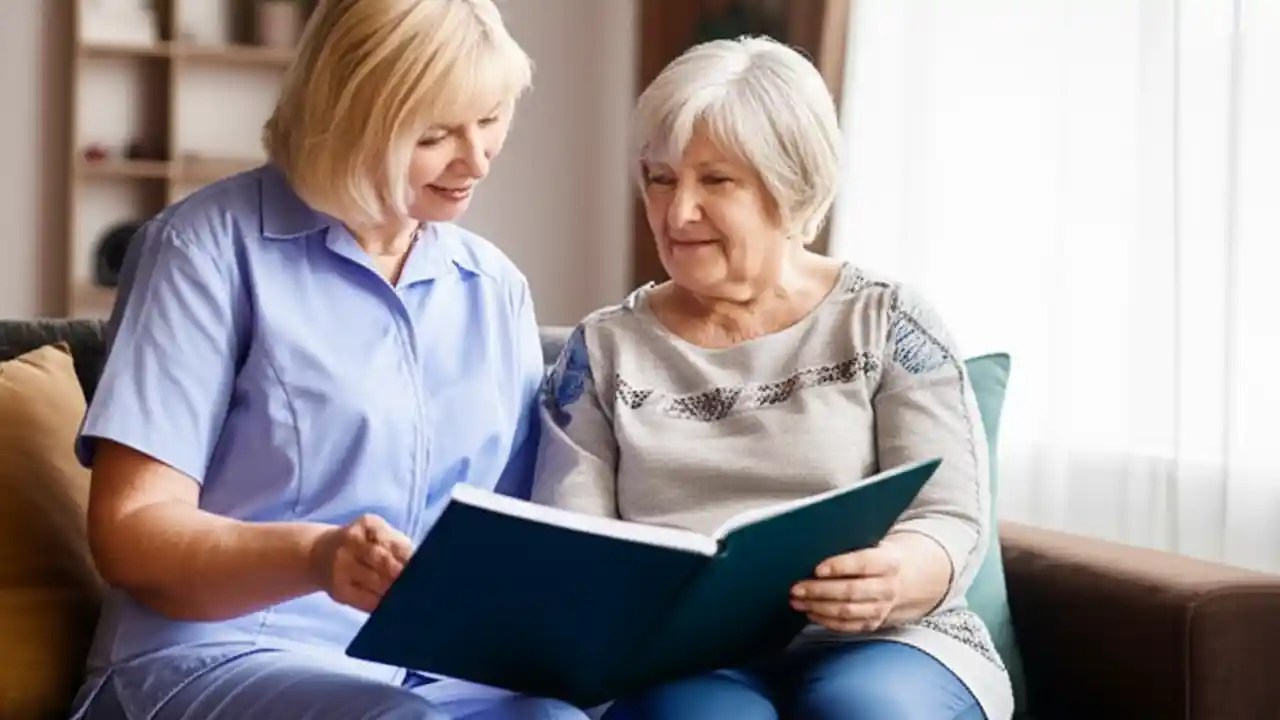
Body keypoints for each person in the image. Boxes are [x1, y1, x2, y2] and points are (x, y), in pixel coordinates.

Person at [69, 1, 591, 718]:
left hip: (434, 674)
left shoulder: (494, 288)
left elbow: (512, 535)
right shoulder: (204, 251)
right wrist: (314, 558)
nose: (476, 159)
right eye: (435, 134)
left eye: (492, 117)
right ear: (352, 118)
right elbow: (134, 535)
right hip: (217, 654)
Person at [533, 36, 1014, 720]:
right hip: (686, 662)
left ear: (790, 187)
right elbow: (573, 543)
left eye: (715, 180)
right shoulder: (604, 351)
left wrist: (897, 575)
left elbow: (948, 514)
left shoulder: (888, 321)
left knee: (872, 713)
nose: (677, 212)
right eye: (661, 178)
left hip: (890, 639)